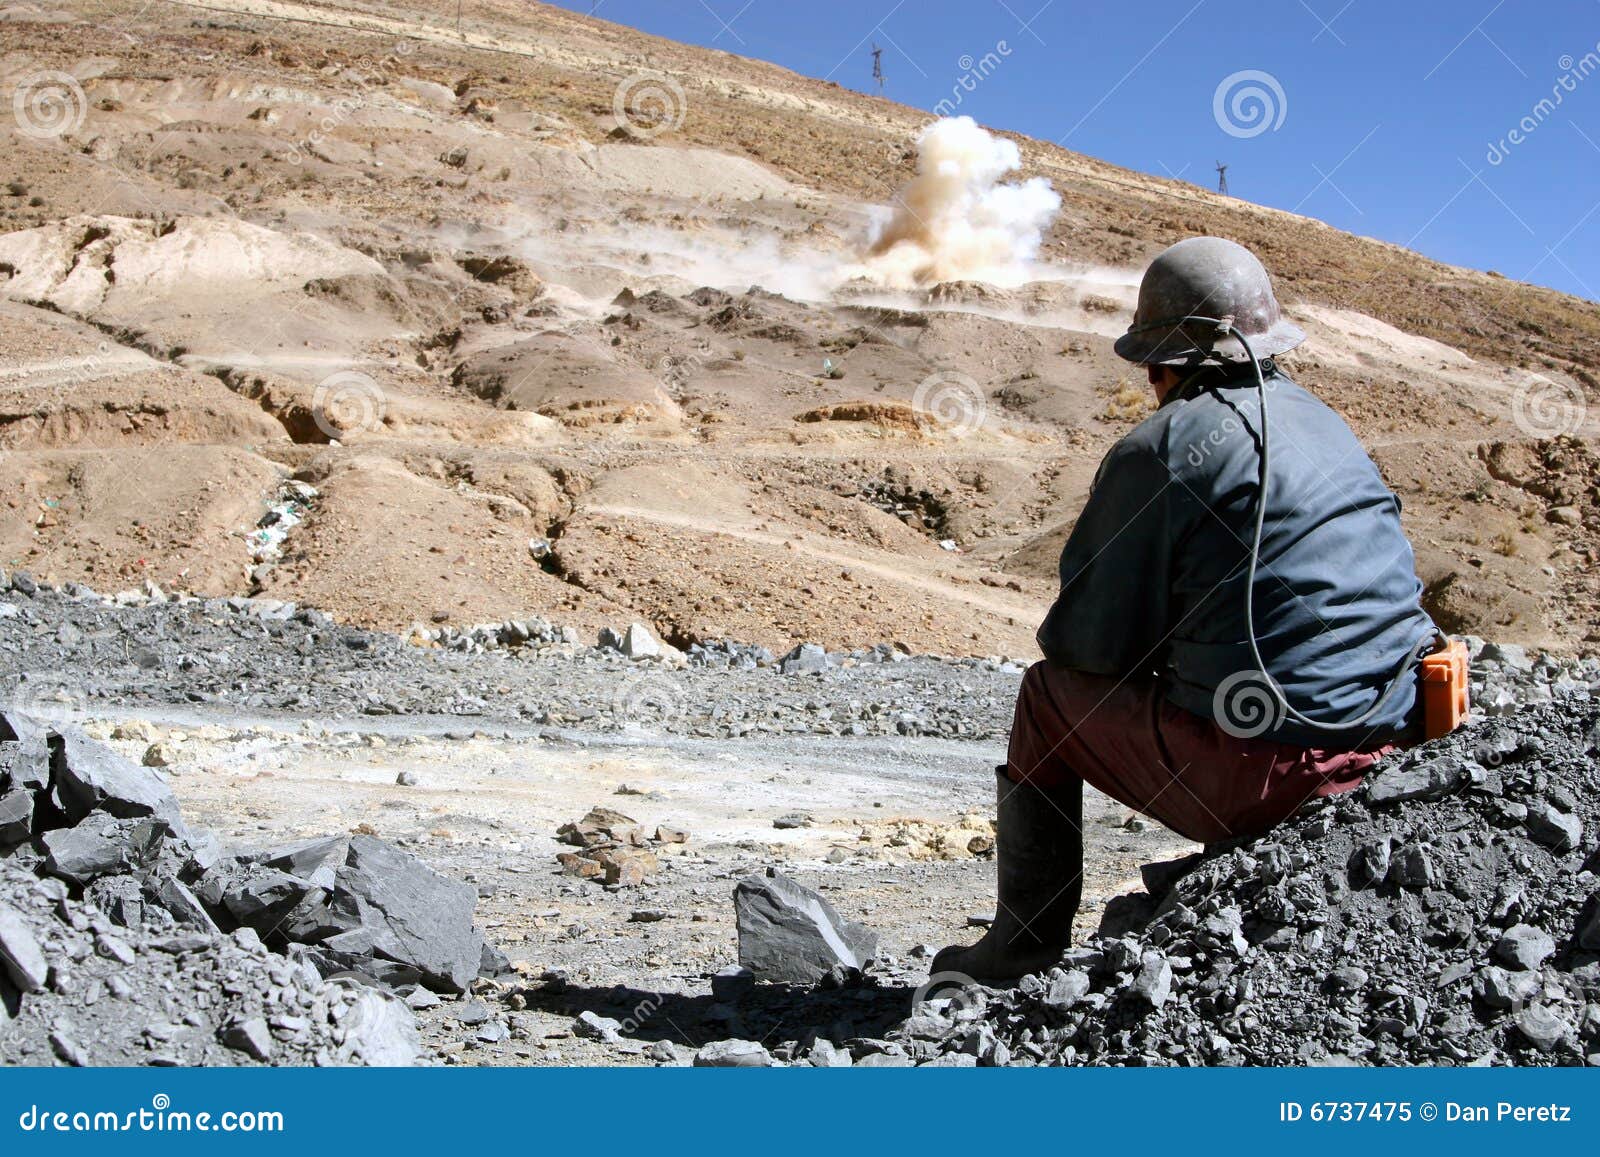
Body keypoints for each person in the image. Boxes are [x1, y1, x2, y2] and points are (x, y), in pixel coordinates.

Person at [933, 236, 1437, 981]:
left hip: (1272, 774)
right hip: (1396, 748)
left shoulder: (1162, 447)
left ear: (1158, 364)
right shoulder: (1329, 425)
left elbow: (1088, 649)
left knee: (1046, 699)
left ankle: (1021, 947)